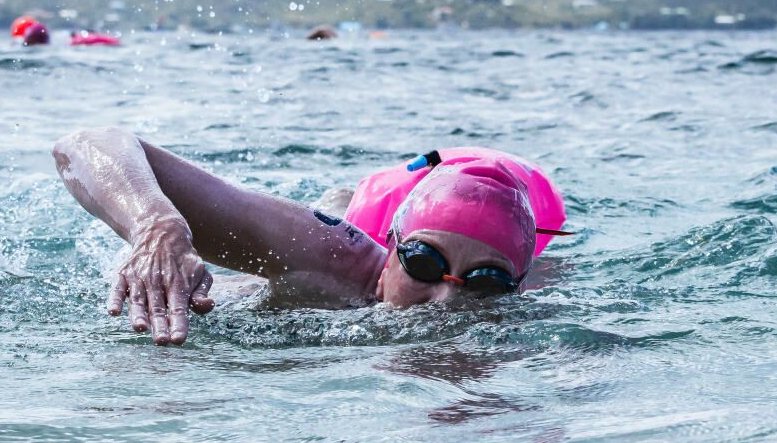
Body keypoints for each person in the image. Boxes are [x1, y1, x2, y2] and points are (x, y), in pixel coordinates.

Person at [51, 129, 566, 344]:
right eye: (423, 263)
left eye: (485, 283)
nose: (444, 299)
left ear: (516, 287)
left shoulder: (530, 317)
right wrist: (155, 226)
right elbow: (82, 143)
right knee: (330, 219)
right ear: (390, 251)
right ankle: (348, 201)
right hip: (350, 229)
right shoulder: (332, 258)